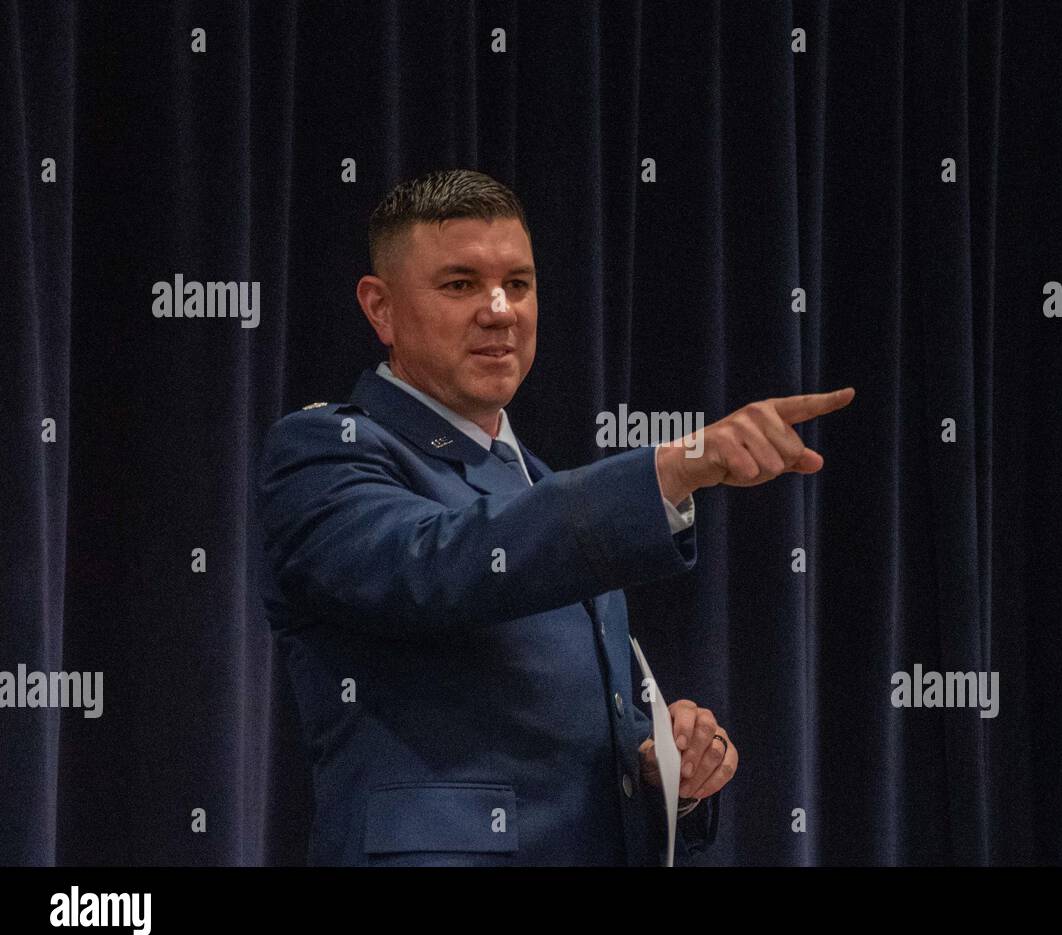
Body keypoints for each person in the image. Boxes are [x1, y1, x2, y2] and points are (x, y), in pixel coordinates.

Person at [257, 168, 854, 865]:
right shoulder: (326, 447)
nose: (500, 311)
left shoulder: (539, 482)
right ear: (380, 308)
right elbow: (429, 565)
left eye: (518, 283)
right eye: (460, 285)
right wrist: (668, 469)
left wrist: (663, 767)